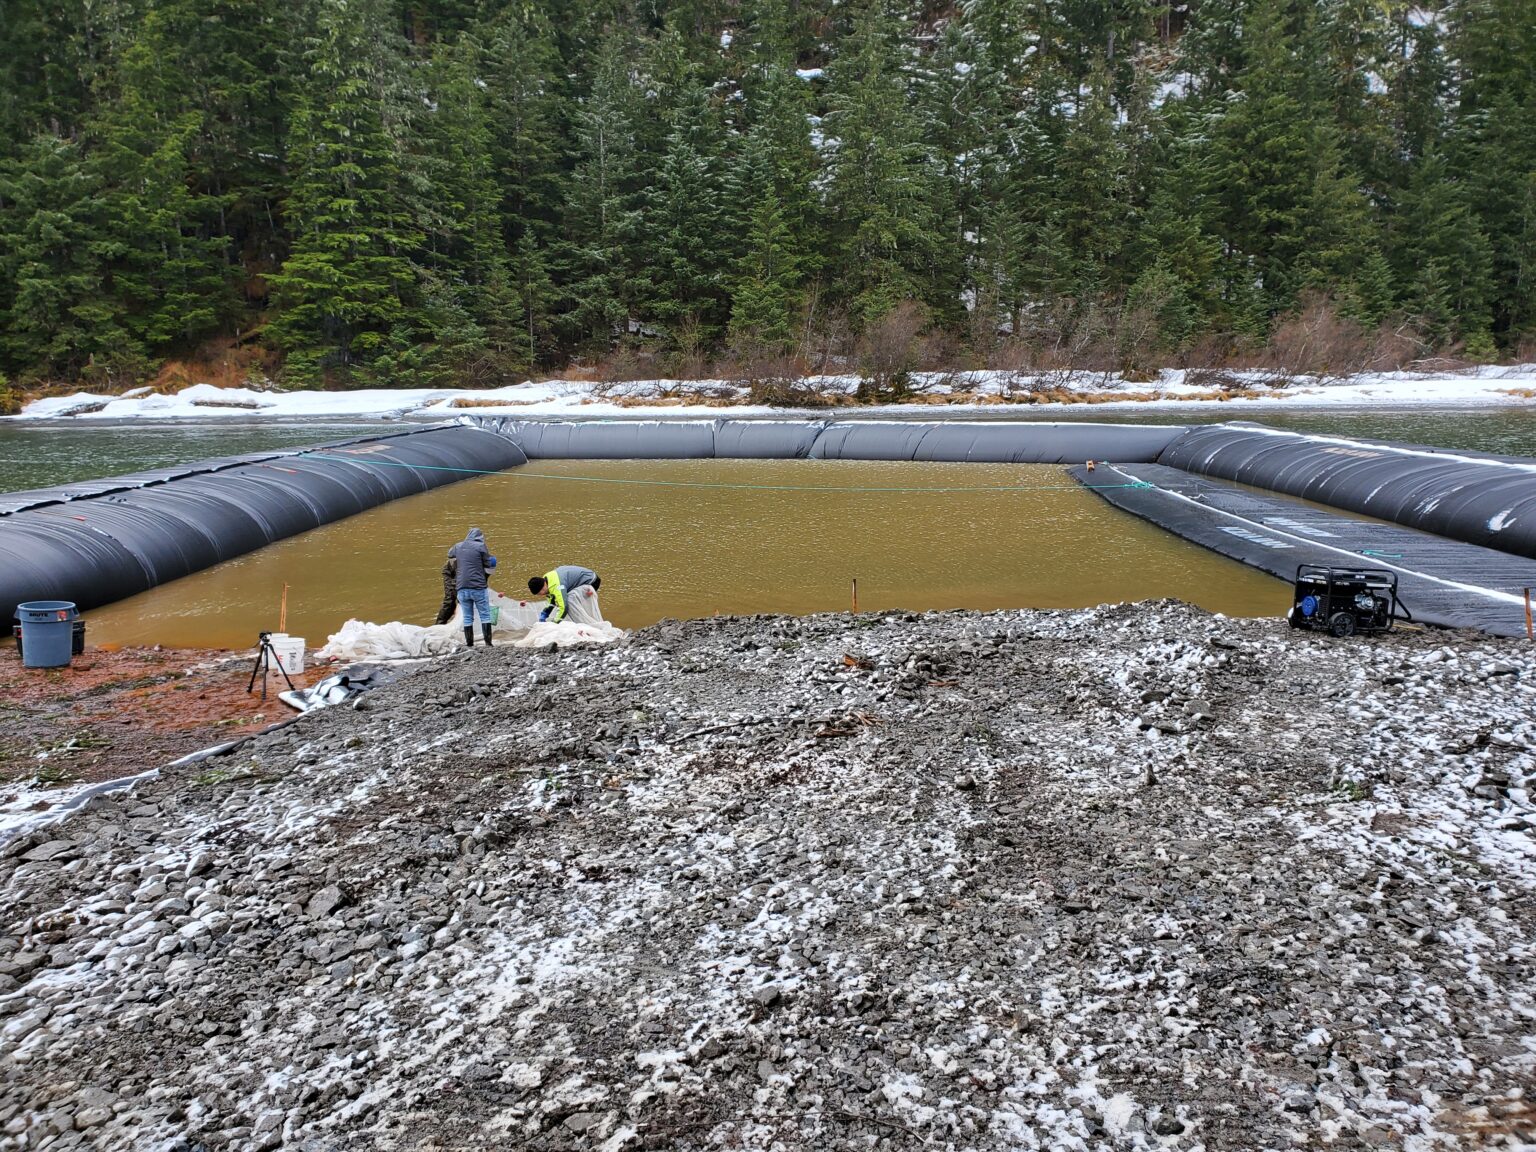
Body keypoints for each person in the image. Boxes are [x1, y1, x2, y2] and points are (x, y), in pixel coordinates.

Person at [448, 528, 498, 647]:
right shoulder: (481, 546)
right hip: (478, 587)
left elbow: (450, 554)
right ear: (480, 537)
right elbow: (487, 563)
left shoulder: (458, 546)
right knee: (485, 615)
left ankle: (469, 644)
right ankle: (488, 643)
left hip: (461, 587)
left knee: (467, 617)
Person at [528, 566, 601, 624]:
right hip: (581, 580)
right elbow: (552, 600)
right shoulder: (545, 580)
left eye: (539, 593)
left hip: (591, 580)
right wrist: (544, 614)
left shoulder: (557, 585)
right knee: (561, 599)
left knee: (569, 600)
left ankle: (583, 623)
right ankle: (580, 621)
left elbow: (564, 607)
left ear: (542, 589)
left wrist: (555, 623)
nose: (541, 595)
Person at [434, 555, 458, 625]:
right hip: (450, 570)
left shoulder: (484, 561)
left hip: (460, 570)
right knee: (449, 600)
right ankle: (438, 626)